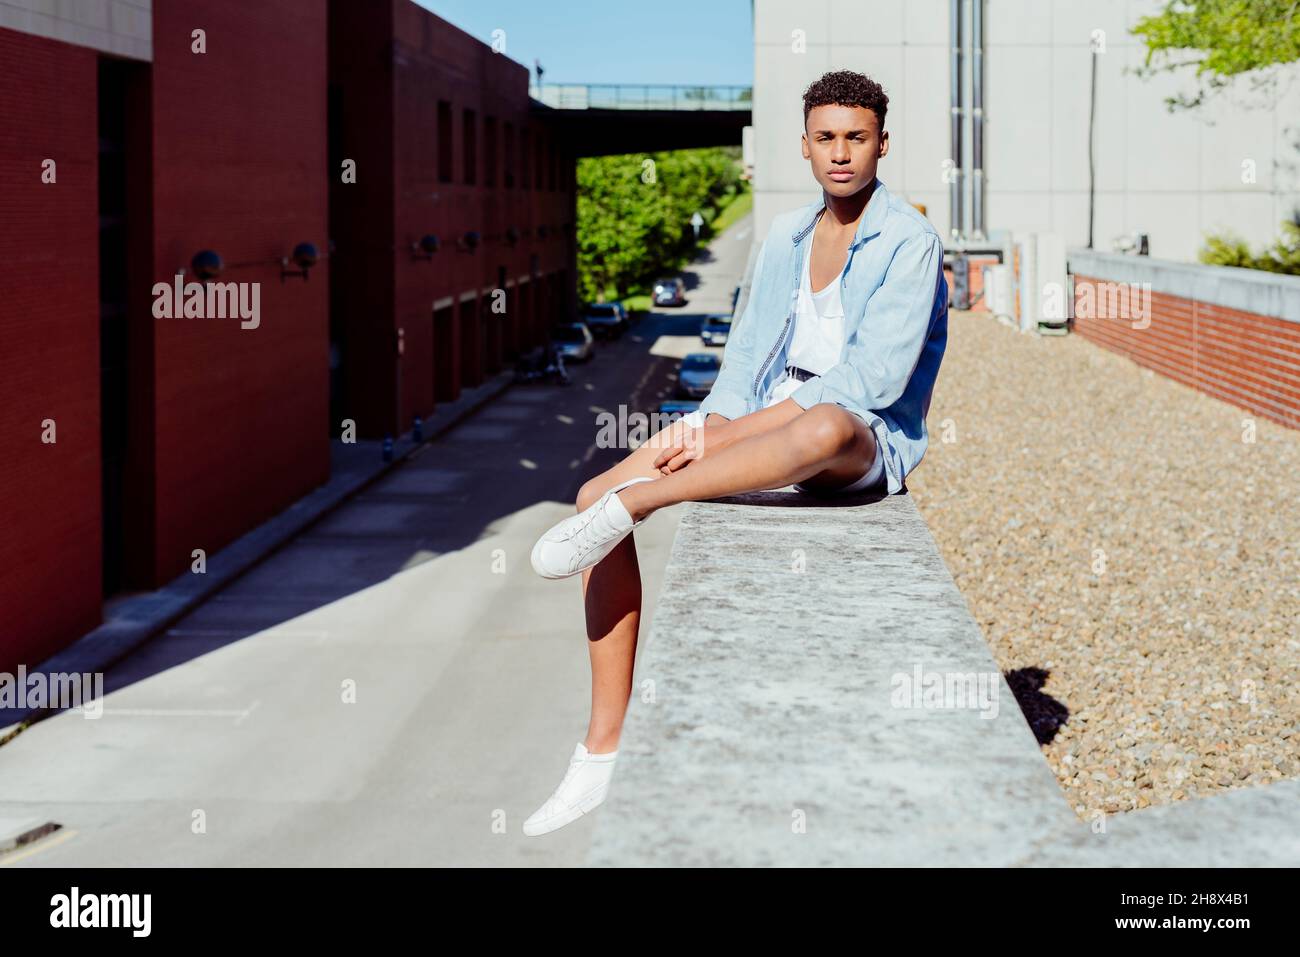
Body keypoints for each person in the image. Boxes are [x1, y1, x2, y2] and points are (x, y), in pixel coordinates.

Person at [522, 69, 949, 836]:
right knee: (592, 497)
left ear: (883, 142)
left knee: (818, 428)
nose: (842, 154)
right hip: (757, 421)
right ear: (805, 147)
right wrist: (702, 428)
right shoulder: (784, 234)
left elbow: (871, 383)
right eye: (827, 139)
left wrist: (705, 451)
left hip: (856, 439)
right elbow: (744, 362)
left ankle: (644, 502)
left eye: (857, 138)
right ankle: (601, 748)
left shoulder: (911, 241)